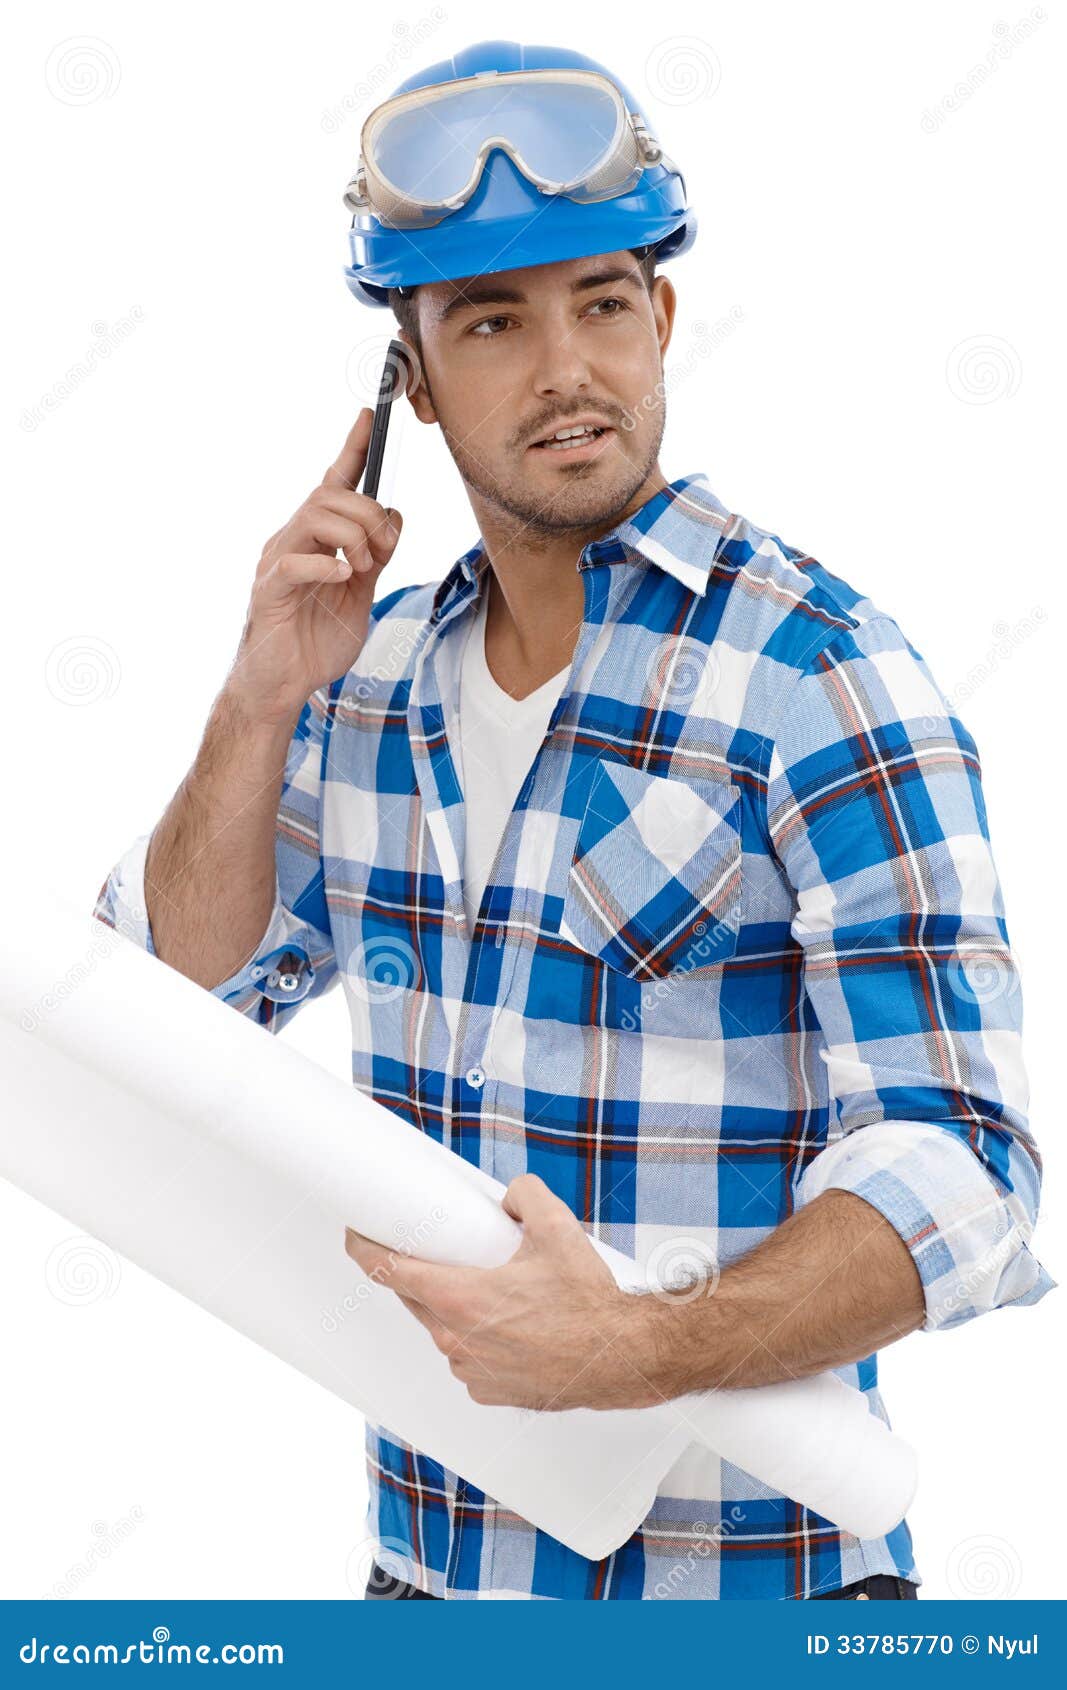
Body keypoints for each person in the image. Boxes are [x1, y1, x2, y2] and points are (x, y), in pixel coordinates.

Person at [93, 40, 1053, 1601]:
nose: (567, 369)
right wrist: (257, 699)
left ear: (663, 317)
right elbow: (166, 1010)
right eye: (492, 320)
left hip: (753, 1591)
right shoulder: (366, 689)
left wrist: (640, 1349)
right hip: (430, 1581)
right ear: (408, 384)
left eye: (604, 302)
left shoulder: (820, 676)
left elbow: (966, 1167)